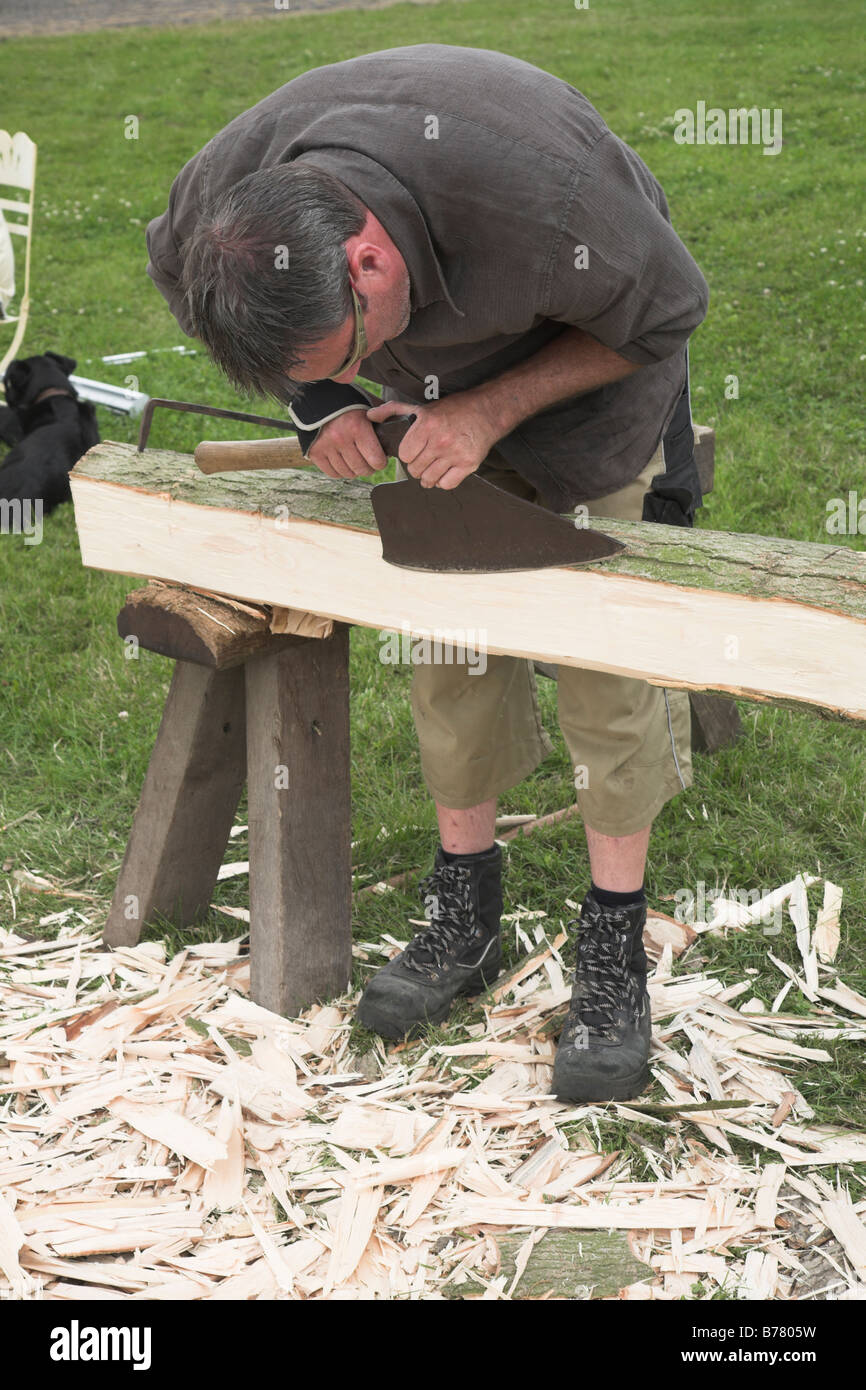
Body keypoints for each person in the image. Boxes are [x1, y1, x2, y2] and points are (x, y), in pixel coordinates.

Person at [145, 44, 709, 1103]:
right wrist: (320, 408)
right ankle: (465, 903)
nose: (350, 378)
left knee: (601, 661)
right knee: (445, 638)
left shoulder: (551, 202)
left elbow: (667, 313)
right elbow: (177, 275)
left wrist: (486, 411)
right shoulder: (221, 206)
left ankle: (610, 943)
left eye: (342, 354)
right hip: (432, 408)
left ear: (366, 260)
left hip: (590, 381)